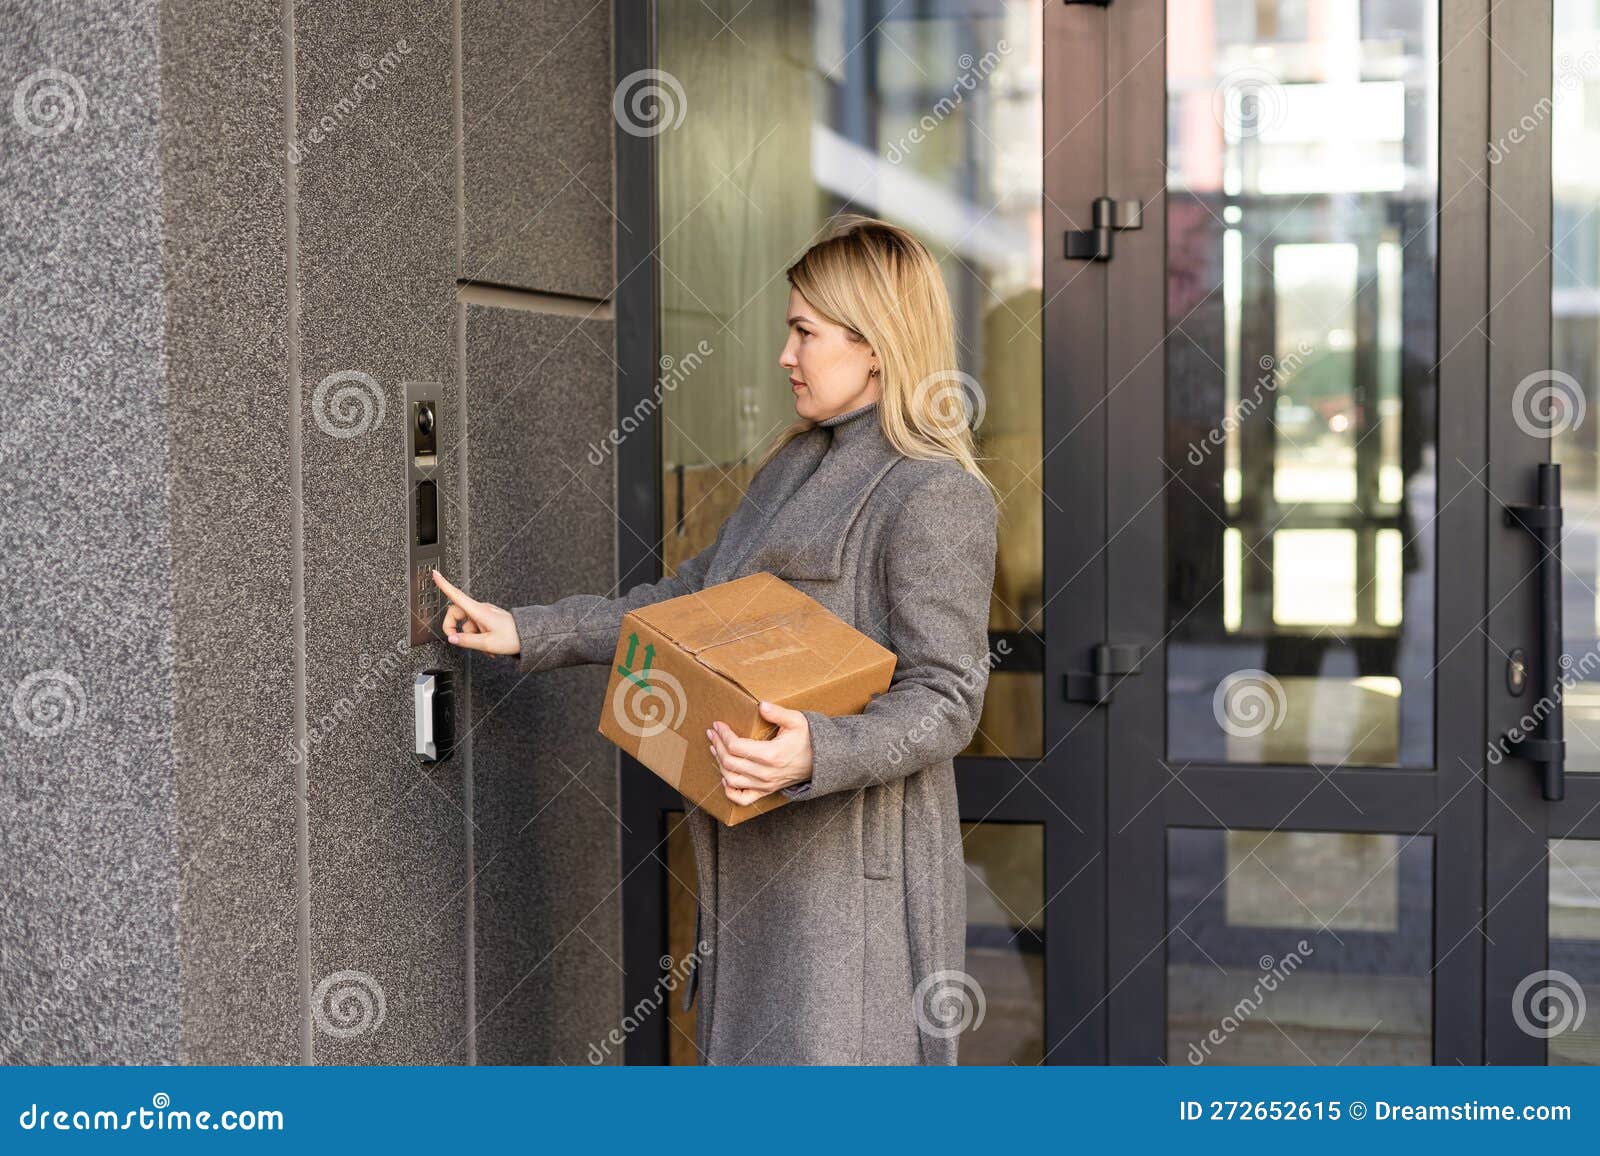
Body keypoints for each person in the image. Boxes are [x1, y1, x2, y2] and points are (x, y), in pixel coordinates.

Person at [431, 214, 999, 1064]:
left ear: (874, 343)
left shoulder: (932, 495)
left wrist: (820, 750)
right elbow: (690, 603)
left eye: (804, 332)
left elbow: (949, 696)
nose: (786, 356)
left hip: (848, 897)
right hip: (754, 859)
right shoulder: (789, 466)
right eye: (789, 331)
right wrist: (530, 630)